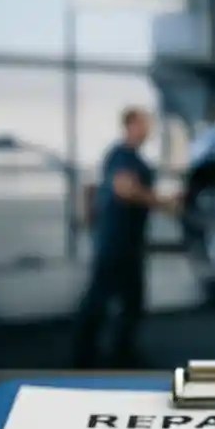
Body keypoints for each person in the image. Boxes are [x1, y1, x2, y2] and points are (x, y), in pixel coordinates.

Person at [72, 107, 181, 367]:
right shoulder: (121, 155)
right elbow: (125, 190)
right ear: (131, 125)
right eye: (145, 124)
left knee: (132, 299)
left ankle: (121, 352)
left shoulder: (129, 157)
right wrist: (162, 202)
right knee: (101, 296)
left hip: (129, 240)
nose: (149, 130)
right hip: (116, 239)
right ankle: (83, 354)